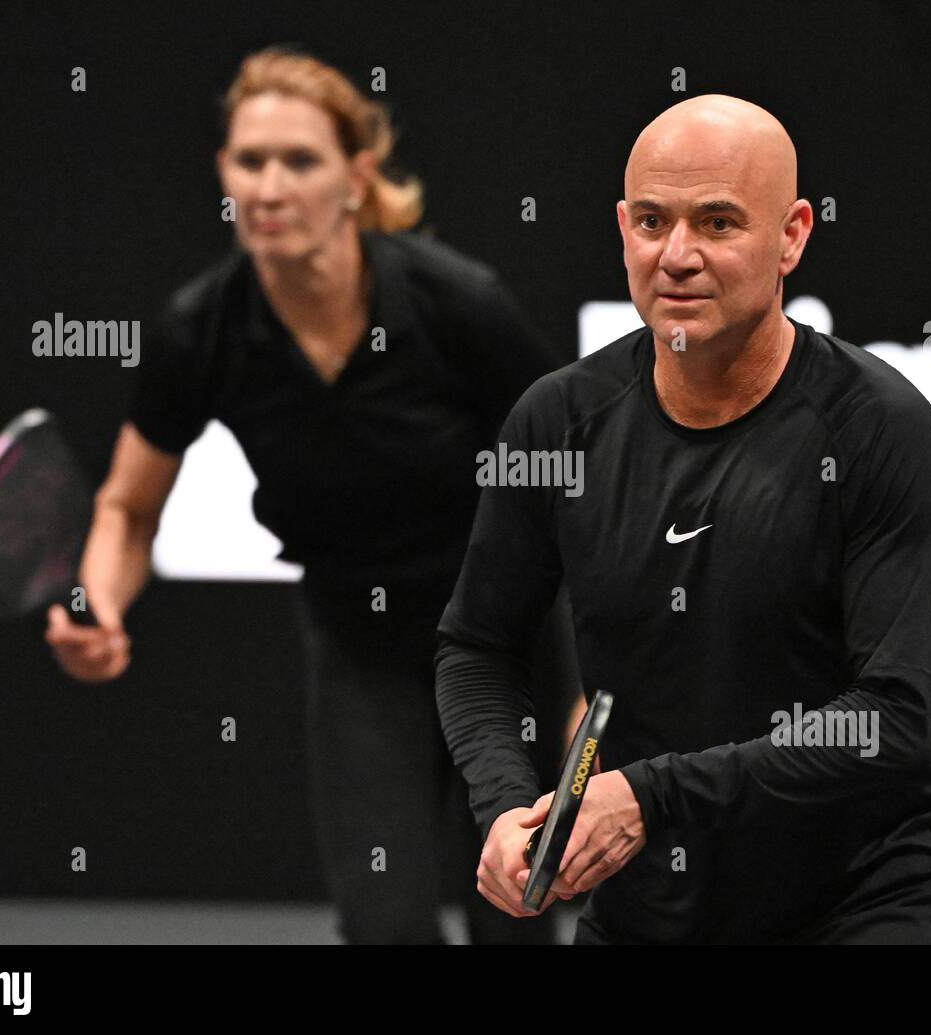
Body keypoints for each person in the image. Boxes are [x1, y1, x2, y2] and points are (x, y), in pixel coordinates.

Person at [44, 46, 566, 945]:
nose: (270, 186)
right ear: (223, 175)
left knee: (516, 918)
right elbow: (127, 508)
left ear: (357, 177)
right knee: (382, 923)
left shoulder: (458, 305)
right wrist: (97, 602)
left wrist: (589, 664)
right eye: (250, 162)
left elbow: (575, 476)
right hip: (358, 645)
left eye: (301, 160)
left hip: (499, 637)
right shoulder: (197, 331)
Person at [435, 94, 931, 944]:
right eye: (651, 221)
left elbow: (896, 718)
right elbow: (479, 645)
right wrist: (506, 806)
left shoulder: (880, 429)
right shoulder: (556, 422)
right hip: (649, 908)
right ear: (622, 229)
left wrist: (648, 795)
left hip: (866, 901)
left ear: (792, 234)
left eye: (718, 223)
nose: (676, 255)